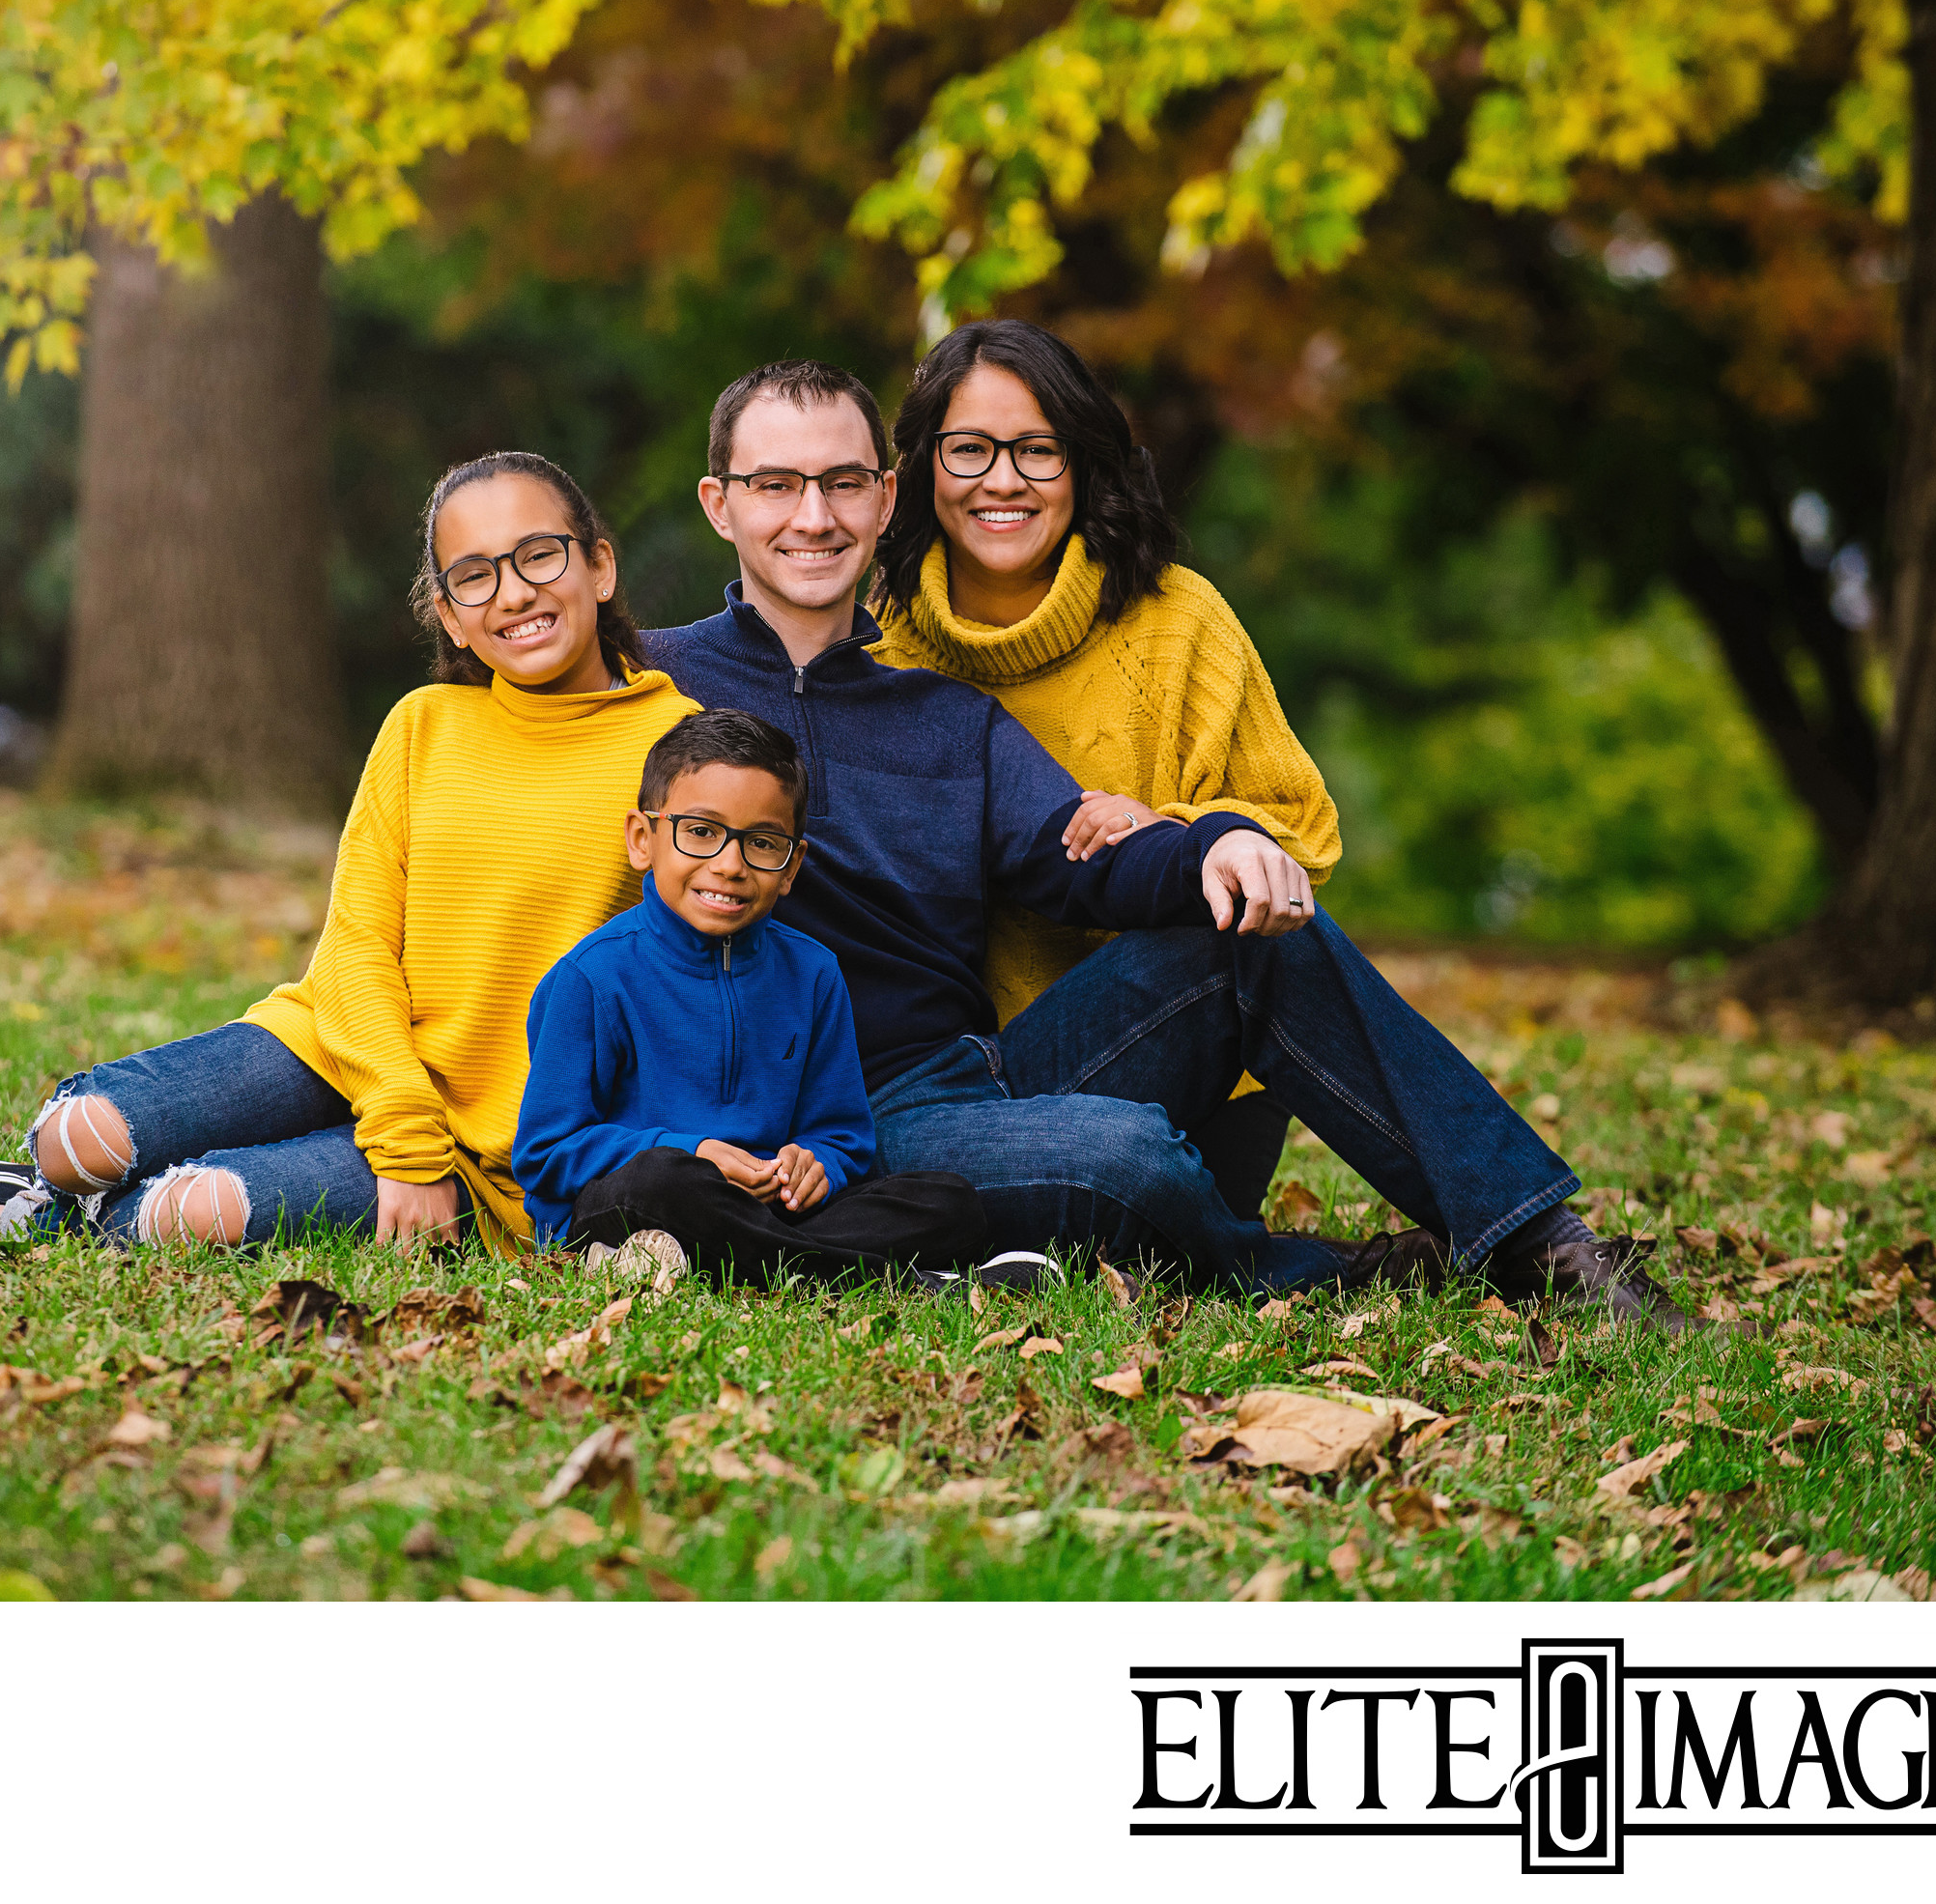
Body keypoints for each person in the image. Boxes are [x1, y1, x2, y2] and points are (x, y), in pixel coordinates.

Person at [642, 358, 1683, 1327]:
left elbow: (1083, 860)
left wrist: (1213, 843)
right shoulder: (647, 687)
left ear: (884, 497)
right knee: (1123, 1151)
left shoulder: (945, 714)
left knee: (1246, 943)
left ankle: (1540, 1245)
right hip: (826, 1125)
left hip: (958, 1086)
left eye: (841, 483)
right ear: (719, 504)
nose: (813, 516)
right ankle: (1325, 1272)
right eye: (775, 485)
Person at [0, 452, 700, 1254]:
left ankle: (10, 1210)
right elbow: (357, 943)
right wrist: (400, 1123)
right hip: (335, 1050)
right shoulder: (423, 726)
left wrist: (445, 1158)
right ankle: (34, 1183)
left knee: (188, 1212)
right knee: (77, 1136)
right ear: (451, 617)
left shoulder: (684, 753)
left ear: (599, 566)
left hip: (489, 1147)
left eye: (539, 555)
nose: (516, 593)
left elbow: (690, 981)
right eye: (475, 576)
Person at [868, 317, 1337, 1223]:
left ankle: (1524, 1233)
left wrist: (1182, 833)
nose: (1003, 479)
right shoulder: (880, 646)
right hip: (964, 1091)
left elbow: (1302, 833)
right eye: (969, 449)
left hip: (1180, 1051)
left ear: (1083, 464)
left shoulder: (1177, 620)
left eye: (1038, 450)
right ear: (922, 468)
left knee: (1263, 938)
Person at [511, 708, 1001, 1290]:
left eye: (762, 844)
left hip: (766, 1211)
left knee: (949, 1200)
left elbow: (843, 1135)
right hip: (632, 1209)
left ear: (791, 867)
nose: (730, 866)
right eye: (700, 831)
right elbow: (545, 1153)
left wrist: (816, 1163)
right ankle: (888, 1278)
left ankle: (749, 1269)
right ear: (643, 839)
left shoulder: (813, 973)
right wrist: (693, 1152)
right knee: (664, 1181)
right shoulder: (592, 977)